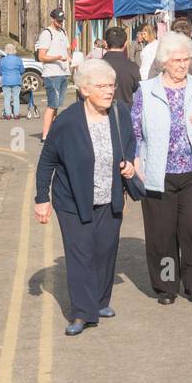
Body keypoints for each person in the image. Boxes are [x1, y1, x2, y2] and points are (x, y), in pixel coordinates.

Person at [34, 58, 138, 336]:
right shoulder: (67, 122)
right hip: (72, 200)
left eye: (111, 85)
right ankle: (82, 312)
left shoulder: (120, 114)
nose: (109, 91)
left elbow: (130, 144)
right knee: (80, 253)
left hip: (110, 195)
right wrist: (41, 198)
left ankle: (101, 301)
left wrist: (129, 163)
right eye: (102, 86)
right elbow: (47, 161)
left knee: (105, 249)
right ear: (84, 90)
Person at [132, 32, 192, 305]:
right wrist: (135, 160)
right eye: (176, 60)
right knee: (162, 233)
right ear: (164, 62)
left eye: (186, 60)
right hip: (158, 174)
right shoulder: (146, 90)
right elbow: (135, 130)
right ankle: (166, 286)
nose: (182, 65)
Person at [35, 7, 71, 140]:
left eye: (62, 20)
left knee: (57, 105)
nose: (61, 23)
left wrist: (71, 59)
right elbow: (41, 56)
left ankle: (53, 133)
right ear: (53, 19)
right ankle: (45, 135)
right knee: (52, 104)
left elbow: (67, 51)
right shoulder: (46, 34)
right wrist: (56, 57)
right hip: (52, 74)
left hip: (63, 72)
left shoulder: (63, 32)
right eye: (58, 20)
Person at [101, 26, 141, 108]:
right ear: (126, 44)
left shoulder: (94, 67)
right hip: (126, 115)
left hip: (100, 115)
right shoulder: (133, 67)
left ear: (105, 43)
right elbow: (138, 90)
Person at [0, 43, 25, 119]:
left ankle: (8, 114)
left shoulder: (2, 60)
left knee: (7, 98)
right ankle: (16, 114)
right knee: (16, 98)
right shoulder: (18, 59)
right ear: (14, 50)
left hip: (6, 80)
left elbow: (0, 72)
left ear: (6, 51)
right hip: (16, 80)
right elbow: (22, 70)